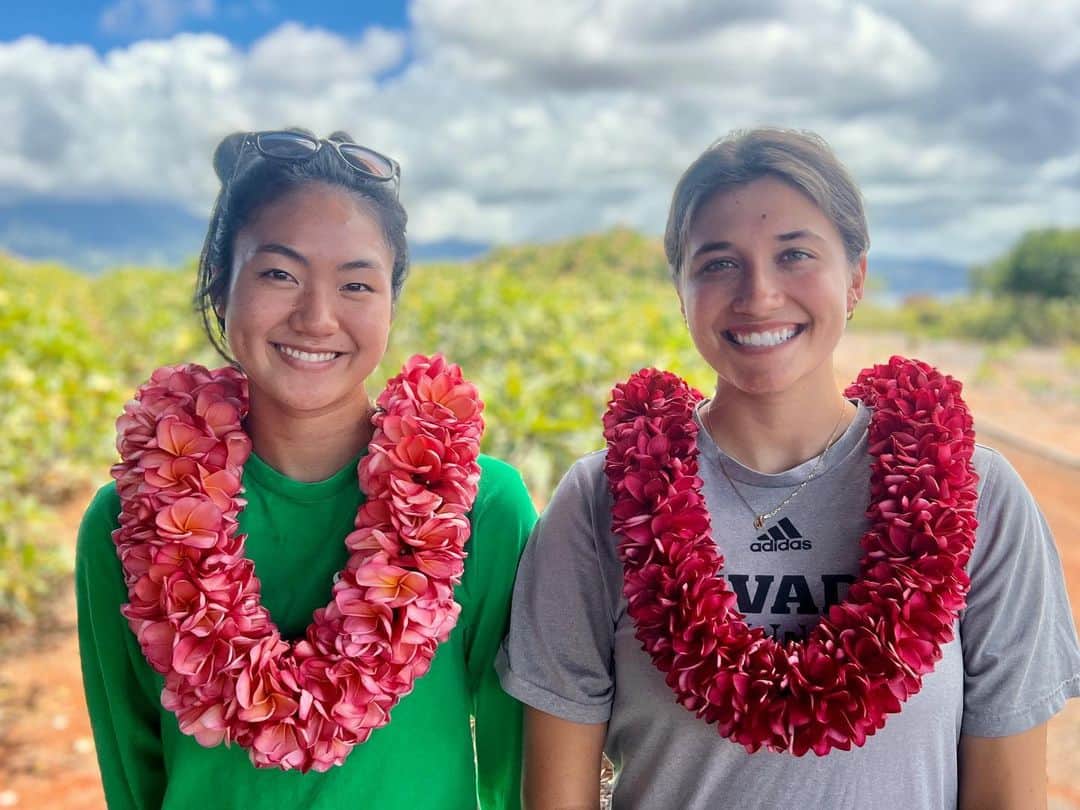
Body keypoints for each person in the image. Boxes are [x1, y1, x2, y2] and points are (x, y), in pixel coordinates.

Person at [497, 128, 1080, 809]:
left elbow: (1008, 795)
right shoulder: (601, 501)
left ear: (855, 277)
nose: (760, 294)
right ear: (680, 290)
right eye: (718, 263)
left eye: (795, 254)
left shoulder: (978, 497)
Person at [77, 129, 536, 809]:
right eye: (279, 274)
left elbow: (513, 763)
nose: (318, 317)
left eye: (356, 283)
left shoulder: (477, 509)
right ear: (220, 288)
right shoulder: (129, 520)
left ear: (389, 304)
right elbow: (132, 769)